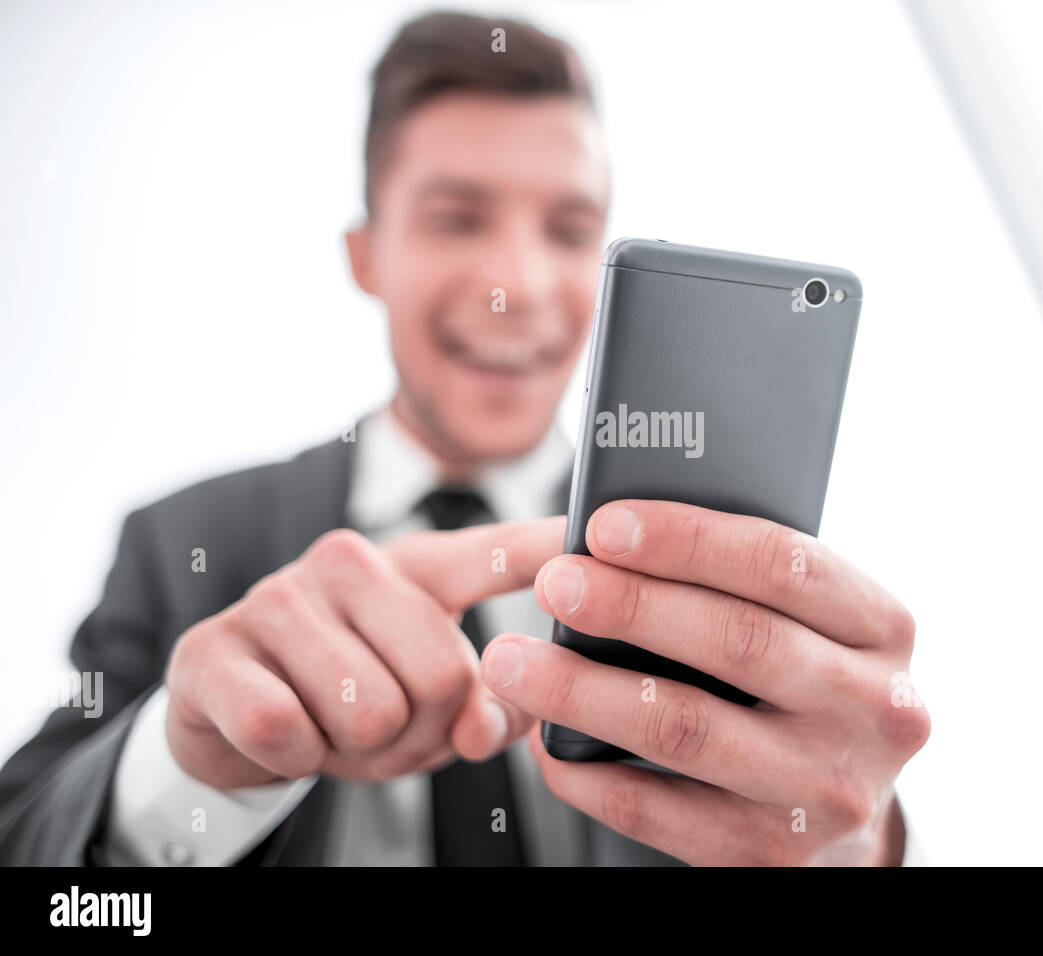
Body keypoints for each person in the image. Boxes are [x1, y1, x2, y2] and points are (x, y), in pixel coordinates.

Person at [0, 9, 928, 867]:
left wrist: (857, 844)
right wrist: (180, 767)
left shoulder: (731, 567)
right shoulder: (180, 541)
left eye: (569, 230)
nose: (517, 283)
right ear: (366, 255)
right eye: (457, 219)